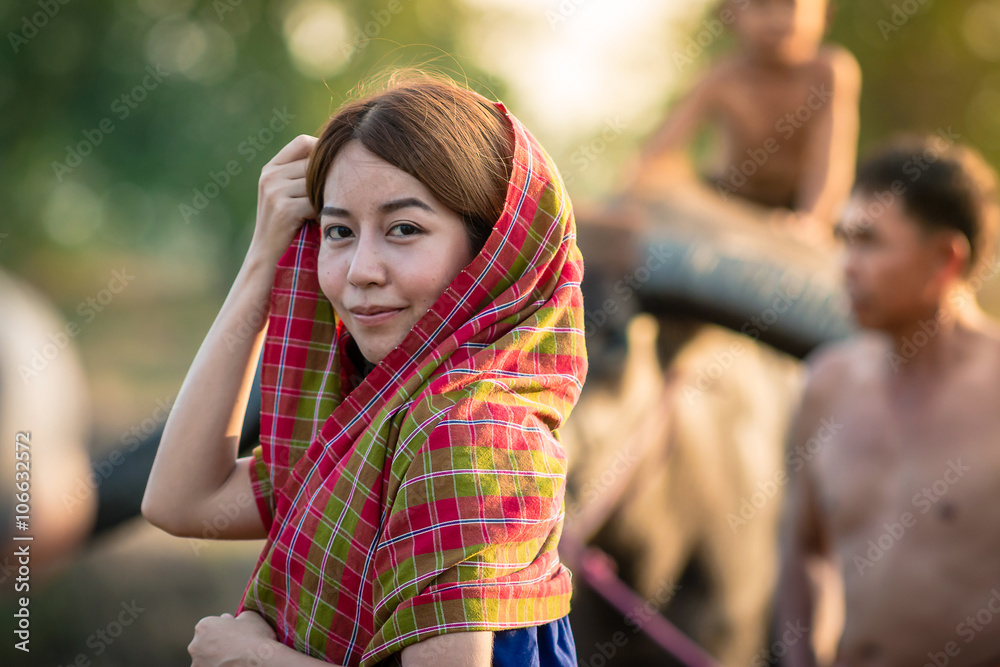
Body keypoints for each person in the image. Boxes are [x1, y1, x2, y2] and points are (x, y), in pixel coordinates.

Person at [141, 73, 587, 667]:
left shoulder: (470, 433)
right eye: (339, 232)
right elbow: (182, 500)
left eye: (405, 229)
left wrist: (252, 659)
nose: (361, 270)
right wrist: (261, 256)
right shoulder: (380, 424)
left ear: (490, 256)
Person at [777, 134, 1000, 666]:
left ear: (946, 258)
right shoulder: (825, 385)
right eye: (844, 239)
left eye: (870, 242)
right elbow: (801, 553)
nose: (847, 266)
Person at [628, 0, 861, 240]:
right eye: (761, 6)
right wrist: (637, 189)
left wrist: (812, 220)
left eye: (790, 5)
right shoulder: (722, 77)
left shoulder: (827, 73)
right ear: (730, 14)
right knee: (659, 190)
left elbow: (831, 163)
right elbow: (657, 153)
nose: (777, 19)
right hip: (729, 200)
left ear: (823, 14)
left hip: (794, 210)